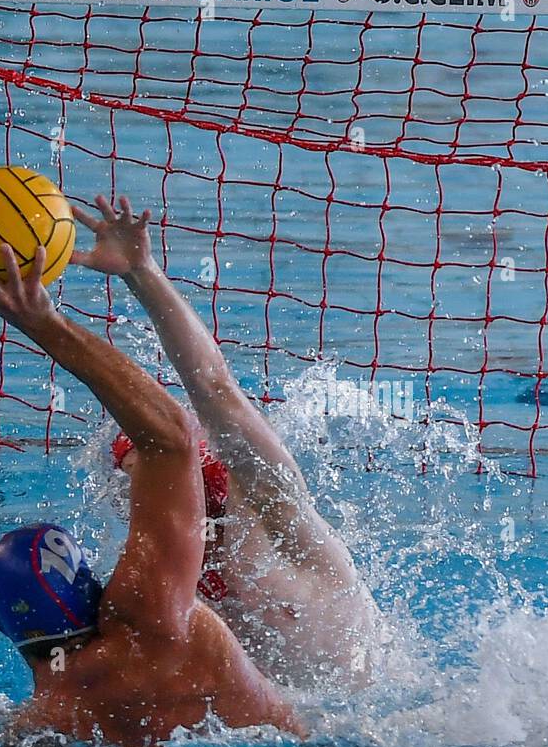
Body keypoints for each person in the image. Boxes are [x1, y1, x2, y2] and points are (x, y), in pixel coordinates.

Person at [0, 241, 302, 747]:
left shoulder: (39, 722)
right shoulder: (148, 620)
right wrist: (43, 323)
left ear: (2, 625)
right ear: (87, 588)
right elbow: (172, 437)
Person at [71, 194, 380, 690]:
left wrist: (142, 272)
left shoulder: (283, 519)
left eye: (138, 488)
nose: (131, 507)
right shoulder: (171, 597)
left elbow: (214, 386)